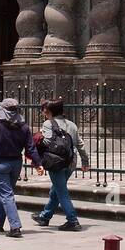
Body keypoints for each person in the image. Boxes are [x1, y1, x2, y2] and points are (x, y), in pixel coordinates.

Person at [0, 97, 43, 238]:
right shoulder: (23, 126)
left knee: (6, 194)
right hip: (15, 163)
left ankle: (15, 226)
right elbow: (30, 148)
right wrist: (38, 163)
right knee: (5, 193)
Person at [31, 97, 90, 232]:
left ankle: (72, 220)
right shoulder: (72, 124)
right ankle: (45, 216)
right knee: (56, 189)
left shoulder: (48, 124)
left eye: (45, 111)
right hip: (70, 161)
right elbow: (80, 144)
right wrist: (85, 161)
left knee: (61, 191)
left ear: (50, 111)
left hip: (56, 161)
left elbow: (47, 142)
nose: (43, 113)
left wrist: (38, 137)